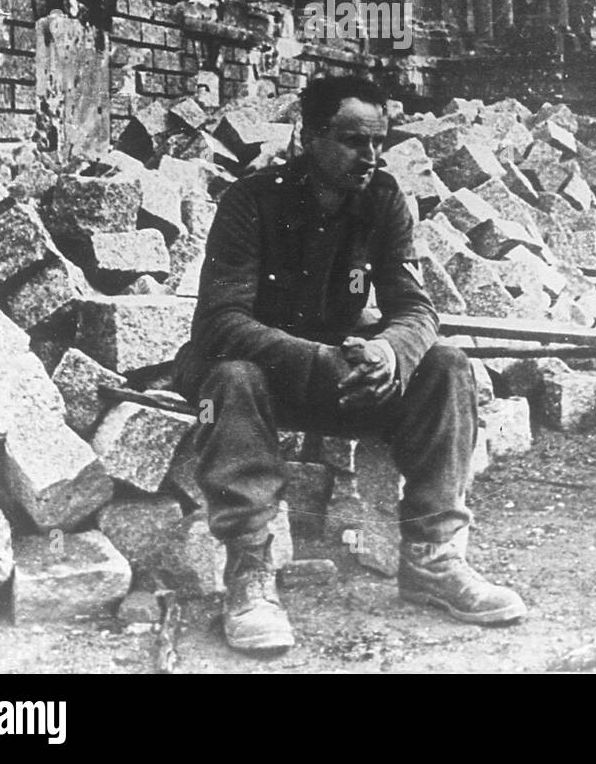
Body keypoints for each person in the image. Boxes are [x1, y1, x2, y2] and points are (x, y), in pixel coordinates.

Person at [173, 73, 526, 653]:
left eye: (379, 142)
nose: (371, 156)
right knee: (233, 378)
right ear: (309, 135)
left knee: (446, 365)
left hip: (340, 372)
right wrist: (320, 360)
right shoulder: (250, 201)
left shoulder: (381, 198)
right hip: (246, 378)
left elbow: (415, 307)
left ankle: (433, 559)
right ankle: (250, 573)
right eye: (353, 141)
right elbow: (220, 323)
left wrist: (388, 353)